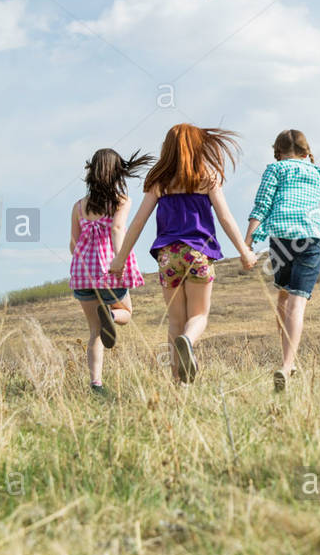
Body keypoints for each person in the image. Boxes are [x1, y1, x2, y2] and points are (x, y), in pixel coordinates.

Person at [109, 124, 257, 382]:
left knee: (175, 321)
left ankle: (179, 383)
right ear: (197, 146)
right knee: (198, 316)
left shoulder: (160, 182)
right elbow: (225, 217)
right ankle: (188, 341)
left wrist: (120, 259)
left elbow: (138, 222)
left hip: (168, 256)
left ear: (168, 149)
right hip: (199, 254)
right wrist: (244, 251)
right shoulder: (207, 177)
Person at [244, 128, 320, 391]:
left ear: (278, 153)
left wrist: (247, 243)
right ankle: (287, 363)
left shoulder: (275, 170)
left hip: (281, 238)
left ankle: (287, 361)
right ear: (306, 152)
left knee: (282, 296)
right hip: (311, 239)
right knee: (297, 303)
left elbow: (262, 205)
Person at [69, 147, 154, 395]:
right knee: (126, 311)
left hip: (82, 274)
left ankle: (96, 384)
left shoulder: (79, 206)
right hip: (108, 270)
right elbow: (118, 228)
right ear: (118, 173)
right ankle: (112, 315)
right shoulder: (121, 201)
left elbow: (73, 243)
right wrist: (120, 260)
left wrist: (83, 262)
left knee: (94, 331)